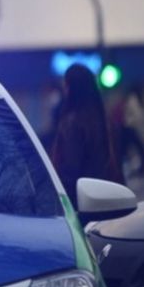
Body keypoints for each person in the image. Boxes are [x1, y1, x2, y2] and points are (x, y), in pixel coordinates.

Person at [49, 64, 123, 206]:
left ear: (70, 88)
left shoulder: (72, 124)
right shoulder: (107, 123)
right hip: (109, 201)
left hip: (80, 205)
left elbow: (70, 170)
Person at [108, 84, 144, 179]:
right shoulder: (133, 99)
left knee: (122, 151)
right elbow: (137, 114)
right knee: (140, 149)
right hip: (128, 127)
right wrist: (132, 121)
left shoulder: (127, 98)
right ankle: (142, 171)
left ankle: (120, 171)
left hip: (124, 128)